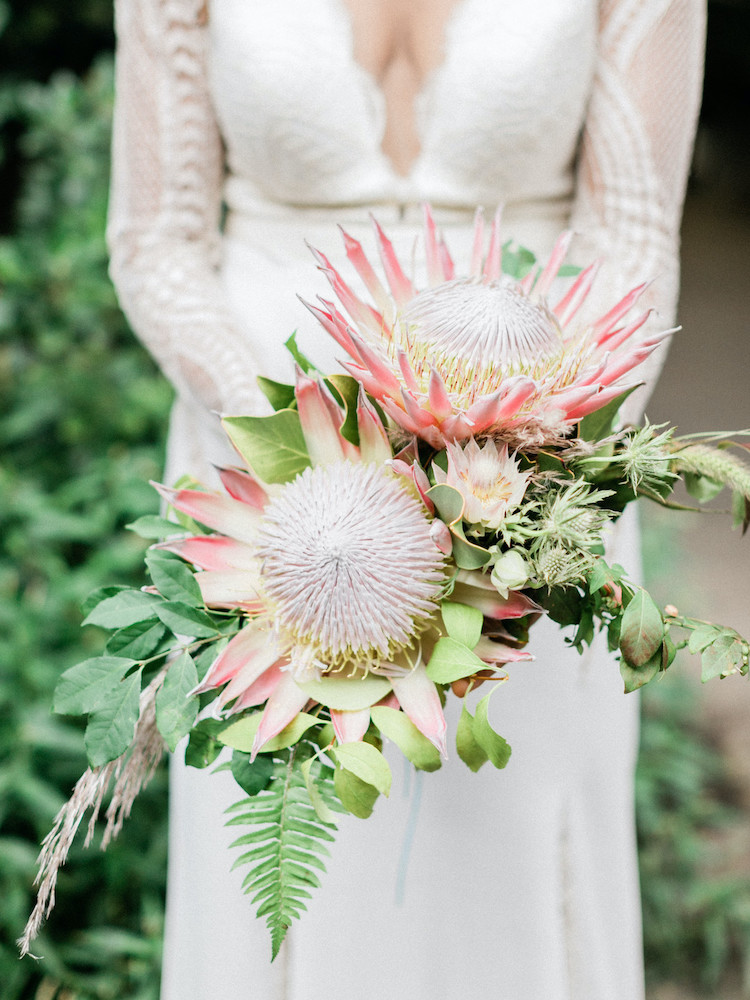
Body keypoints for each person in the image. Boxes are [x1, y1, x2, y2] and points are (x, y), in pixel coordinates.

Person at [107, 1, 706, 997]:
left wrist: (537, 466)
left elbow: (633, 238)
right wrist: (292, 442)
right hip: (262, 479)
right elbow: (154, 240)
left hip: (528, 477)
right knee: (287, 852)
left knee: (513, 834)